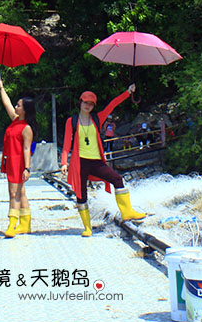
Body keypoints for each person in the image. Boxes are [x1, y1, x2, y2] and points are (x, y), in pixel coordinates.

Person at [60, 84, 145, 236]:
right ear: (80, 102)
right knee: (81, 195)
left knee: (117, 179)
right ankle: (87, 228)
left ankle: (127, 212)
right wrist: (63, 163)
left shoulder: (97, 118)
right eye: (86, 102)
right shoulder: (71, 121)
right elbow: (67, 143)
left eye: (91, 103)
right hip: (79, 163)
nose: (88, 105)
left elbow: (112, 105)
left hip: (96, 161)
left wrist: (127, 92)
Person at [0, 77, 36, 237]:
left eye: (18, 105)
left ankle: (12, 223)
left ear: (25, 110)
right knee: (21, 193)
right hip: (11, 160)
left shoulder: (26, 128)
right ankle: (26, 224)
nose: (15, 106)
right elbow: (6, 104)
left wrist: (27, 168)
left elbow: (27, 149)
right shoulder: (15, 120)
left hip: (18, 162)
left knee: (14, 194)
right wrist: (1, 88)